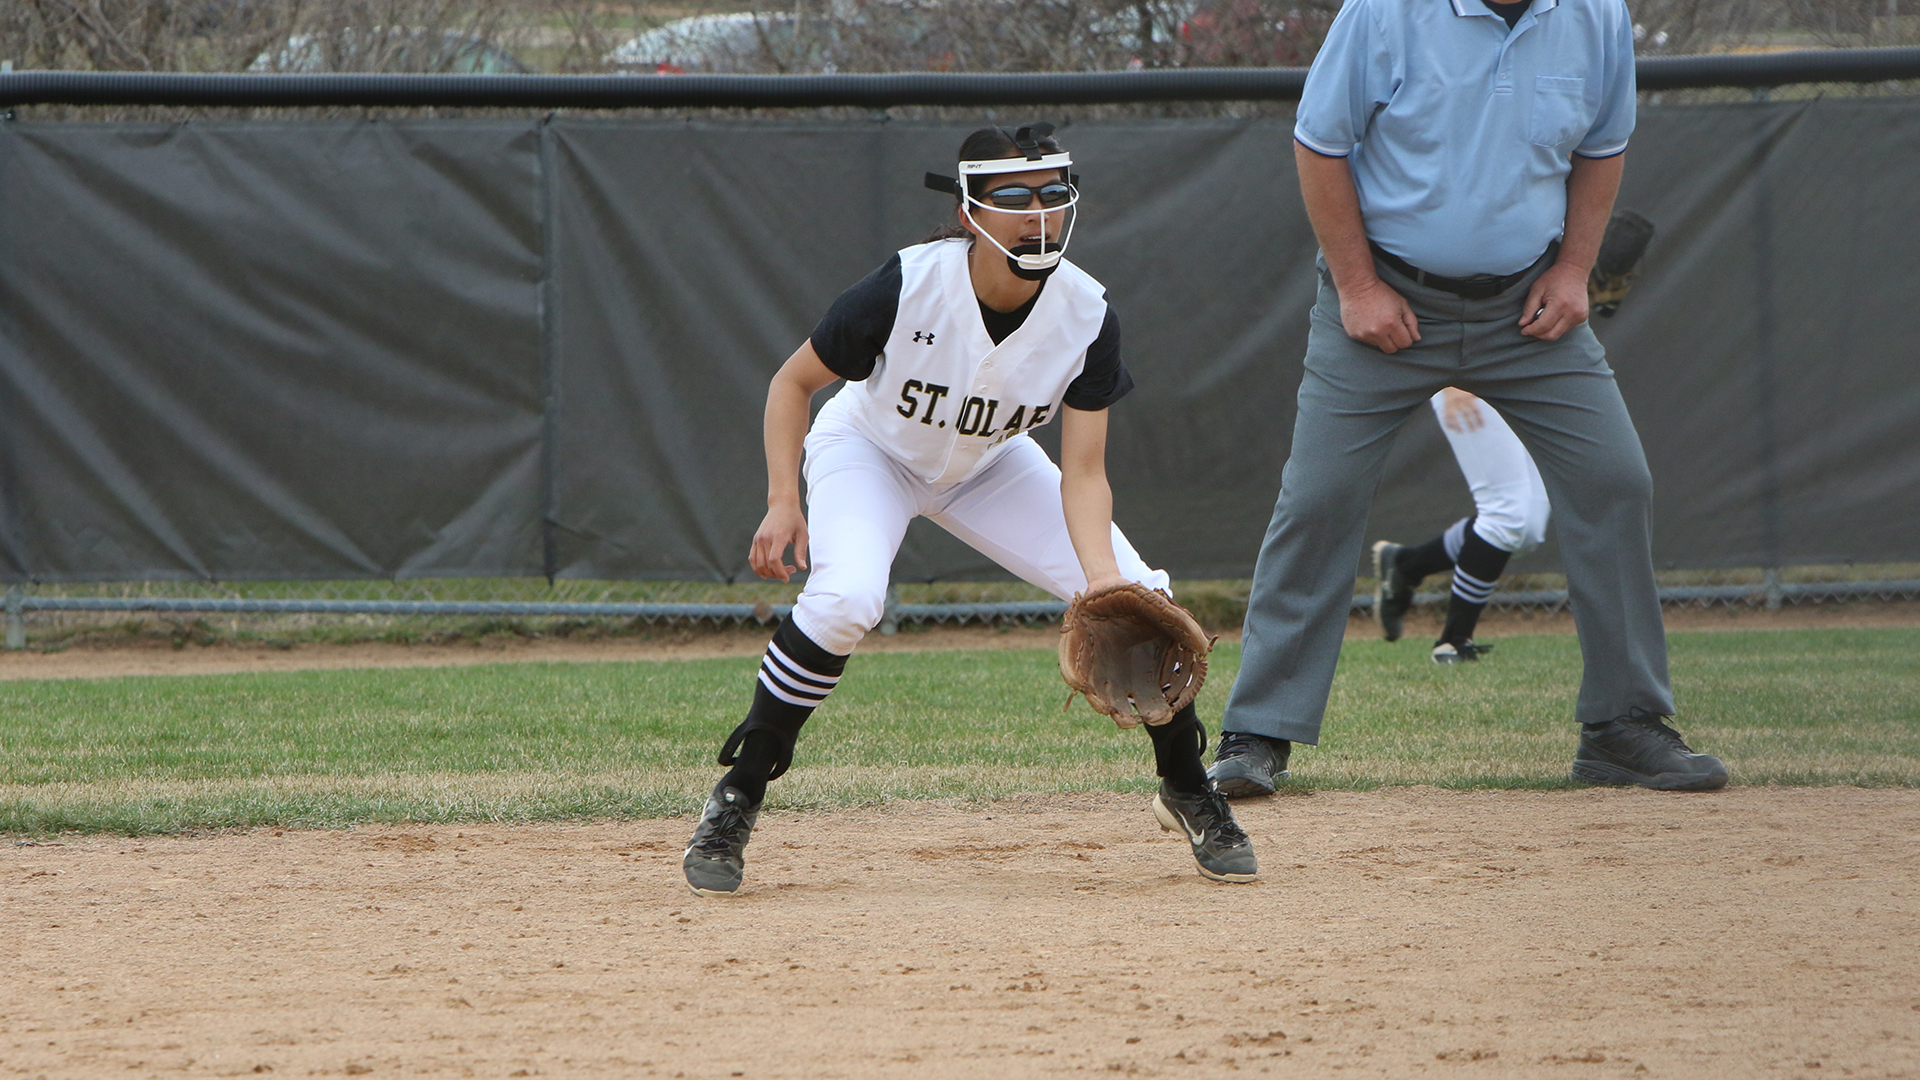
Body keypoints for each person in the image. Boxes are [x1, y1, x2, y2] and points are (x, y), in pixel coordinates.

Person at [682, 124, 1257, 896]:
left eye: (1053, 196)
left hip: (989, 465)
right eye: (1014, 199)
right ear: (969, 213)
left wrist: (1098, 583)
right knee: (847, 597)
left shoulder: (1086, 314)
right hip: (872, 451)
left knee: (1140, 595)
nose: (1038, 215)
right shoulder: (906, 286)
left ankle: (1187, 787)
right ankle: (738, 794)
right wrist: (783, 499)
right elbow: (793, 384)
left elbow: (1084, 474)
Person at [1205, 0, 1728, 799]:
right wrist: (1355, 285)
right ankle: (1258, 735)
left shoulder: (1596, 14)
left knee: (1614, 481)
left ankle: (1623, 726)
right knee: (1319, 496)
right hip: (1384, 301)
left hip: (1526, 306)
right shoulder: (1384, 12)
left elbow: (1601, 147)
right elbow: (1320, 146)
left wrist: (1575, 270)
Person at [1372, 386, 1552, 663]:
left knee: (1528, 529)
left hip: (1524, 374)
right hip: (1472, 376)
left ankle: (1407, 565)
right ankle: (1453, 642)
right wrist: (1454, 385)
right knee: (1507, 516)